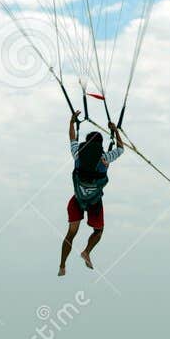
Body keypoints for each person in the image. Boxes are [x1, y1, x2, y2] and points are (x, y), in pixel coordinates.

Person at [59, 114, 123, 275]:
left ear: (86, 143)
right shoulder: (105, 158)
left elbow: (72, 138)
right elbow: (121, 148)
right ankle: (86, 251)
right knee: (98, 231)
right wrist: (115, 131)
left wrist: (71, 122)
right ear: (101, 144)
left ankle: (62, 266)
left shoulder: (78, 154)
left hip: (77, 199)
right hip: (95, 202)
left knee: (71, 233)